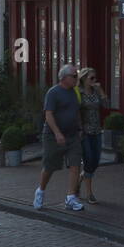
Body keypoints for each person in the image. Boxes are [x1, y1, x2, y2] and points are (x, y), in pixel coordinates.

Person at [34, 64, 85, 212]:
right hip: (53, 136)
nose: (77, 79)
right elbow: (48, 114)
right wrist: (57, 133)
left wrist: (80, 127)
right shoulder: (53, 92)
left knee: (76, 164)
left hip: (72, 135)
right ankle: (41, 191)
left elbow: (77, 111)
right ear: (64, 78)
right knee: (50, 166)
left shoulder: (74, 92)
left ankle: (70, 197)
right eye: (74, 76)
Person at [78, 67, 107, 205]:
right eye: (91, 78)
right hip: (85, 132)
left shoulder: (96, 91)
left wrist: (101, 90)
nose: (94, 80)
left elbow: (106, 105)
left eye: (95, 78)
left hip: (97, 131)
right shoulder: (79, 93)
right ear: (84, 78)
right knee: (89, 160)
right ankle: (89, 193)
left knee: (96, 161)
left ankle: (80, 178)